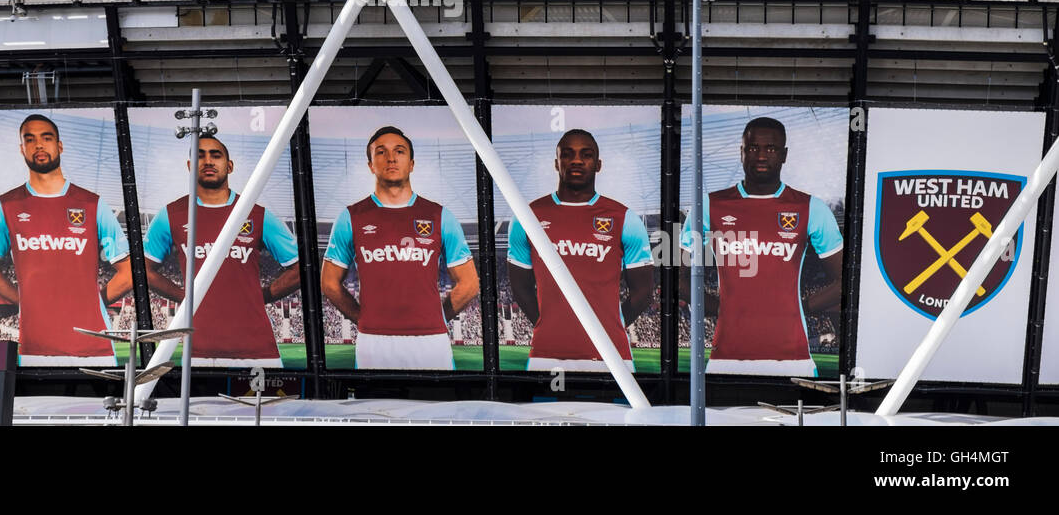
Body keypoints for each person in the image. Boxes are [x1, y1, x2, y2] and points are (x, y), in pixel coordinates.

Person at [680, 116, 844, 376]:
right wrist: (718, 309)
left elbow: (846, 281)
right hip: (726, 360)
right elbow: (677, 276)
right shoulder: (709, 206)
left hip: (795, 360)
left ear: (784, 154)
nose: (761, 155)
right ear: (742, 152)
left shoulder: (811, 208)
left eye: (771, 148)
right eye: (753, 148)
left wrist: (800, 306)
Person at [320, 126, 479, 369]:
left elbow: (469, 284)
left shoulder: (440, 215)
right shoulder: (350, 217)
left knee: (438, 405)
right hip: (373, 340)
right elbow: (329, 282)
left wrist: (438, 317)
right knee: (372, 407)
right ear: (371, 165)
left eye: (400, 151)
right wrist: (362, 317)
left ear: (412, 163)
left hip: (431, 340)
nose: (391, 158)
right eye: (381, 152)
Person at [0, 114, 133, 365]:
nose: (38, 145)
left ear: (59, 146)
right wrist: (25, 302)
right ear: (22, 149)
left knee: (104, 404)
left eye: (46, 138)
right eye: (30, 140)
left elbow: (127, 273)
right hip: (34, 345)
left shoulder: (92, 204)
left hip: (94, 345)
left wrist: (92, 304)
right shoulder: (6, 205)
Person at [143, 134, 301, 367]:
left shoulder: (257, 214)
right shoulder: (171, 214)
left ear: (229, 166)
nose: (208, 161)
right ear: (190, 166)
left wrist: (262, 296)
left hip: (257, 349)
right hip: (197, 351)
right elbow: (142, 270)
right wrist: (184, 298)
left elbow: (300, 269)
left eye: (215, 155)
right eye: (200, 156)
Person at [506, 129, 654, 372]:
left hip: (612, 357)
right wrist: (548, 325)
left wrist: (607, 329)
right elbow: (520, 288)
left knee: (618, 412)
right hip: (546, 354)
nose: (576, 160)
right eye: (567, 154)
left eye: (586, 155)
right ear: (557, 163)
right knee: (544, 412)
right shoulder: (526, 216)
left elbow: (643, 292)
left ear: (598, 164)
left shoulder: (624, 218)